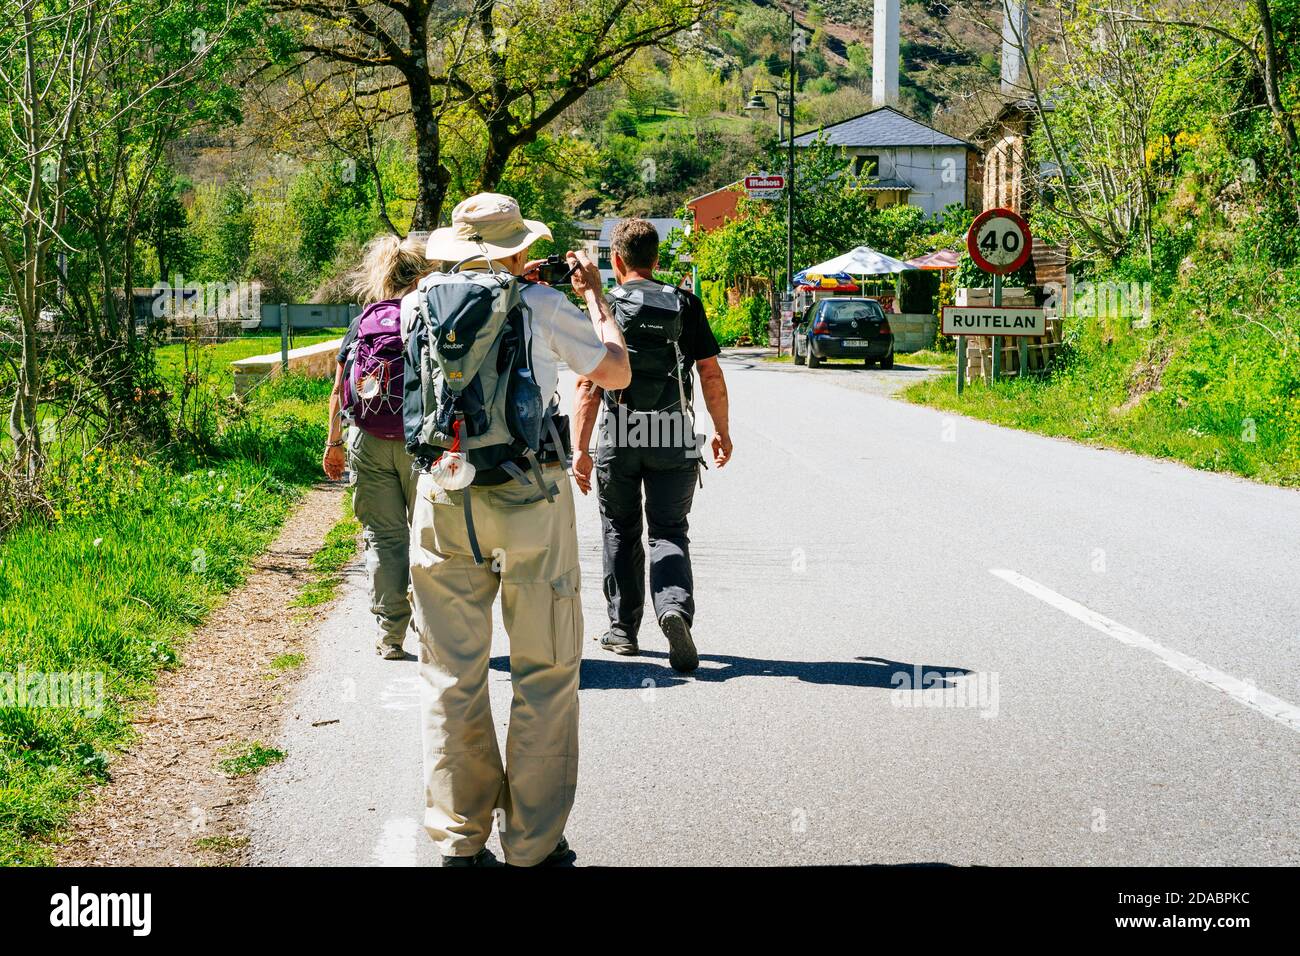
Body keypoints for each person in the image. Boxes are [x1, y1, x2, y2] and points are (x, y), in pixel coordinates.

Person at [407, 193, 630, 867]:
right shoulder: (537, 304)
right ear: (515, 250)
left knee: (451, 675)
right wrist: (599, 306)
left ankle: (458, 839)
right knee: (546, 671)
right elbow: (613, 371)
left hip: (445, 498)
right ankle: (532, 845)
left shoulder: (417, 304)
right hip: (531, 498)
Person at [571, 218, 732, 673]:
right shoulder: (685, 303)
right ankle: (674, 609)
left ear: (617, 261)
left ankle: (623, 631)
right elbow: (711, 375)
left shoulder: (604, 308)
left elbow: (588, 384)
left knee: (620, 530)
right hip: (673, 433)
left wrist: (580, 449)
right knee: (668, 530)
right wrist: (721, 430)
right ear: (657, 260)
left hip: (620, 433)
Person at [324, 234, 432, 659]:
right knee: (429, 538)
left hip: (367, 439)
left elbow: (338, 390)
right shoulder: (427, 316)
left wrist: (334, 443)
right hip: (420, 443)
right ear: (423, 274)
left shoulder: (365, 320)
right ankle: (432, 632)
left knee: (385, 538)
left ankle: (390, 636)